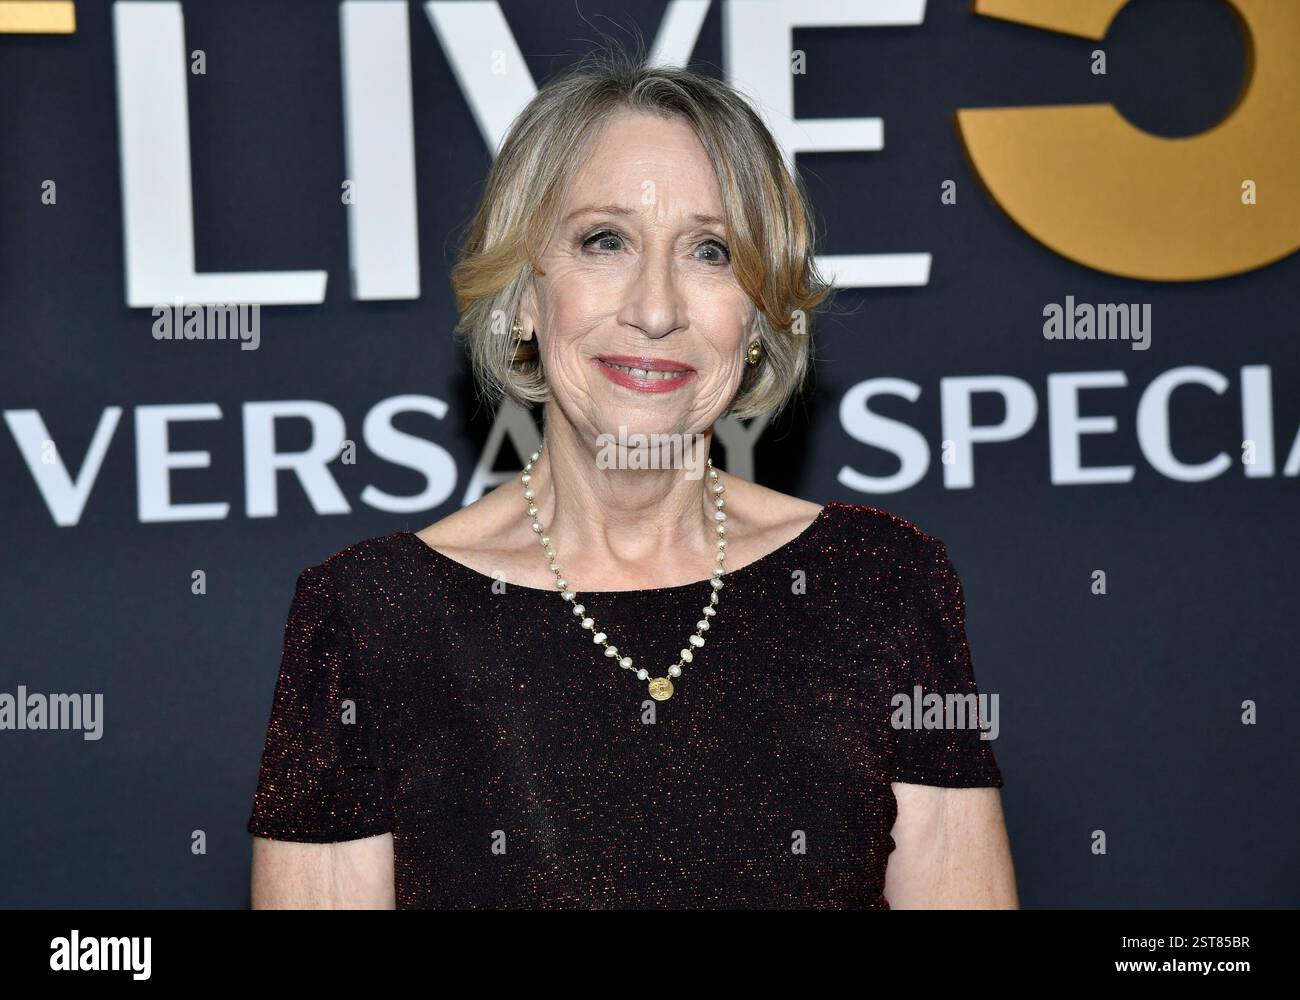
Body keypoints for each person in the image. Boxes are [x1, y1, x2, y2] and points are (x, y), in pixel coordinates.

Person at [246, 49, 1017, 909]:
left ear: (759, 320)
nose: (655, 310)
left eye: (712, 252)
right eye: (603, 241)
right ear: (524, 297)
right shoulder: (369, 618)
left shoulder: (881, 584)